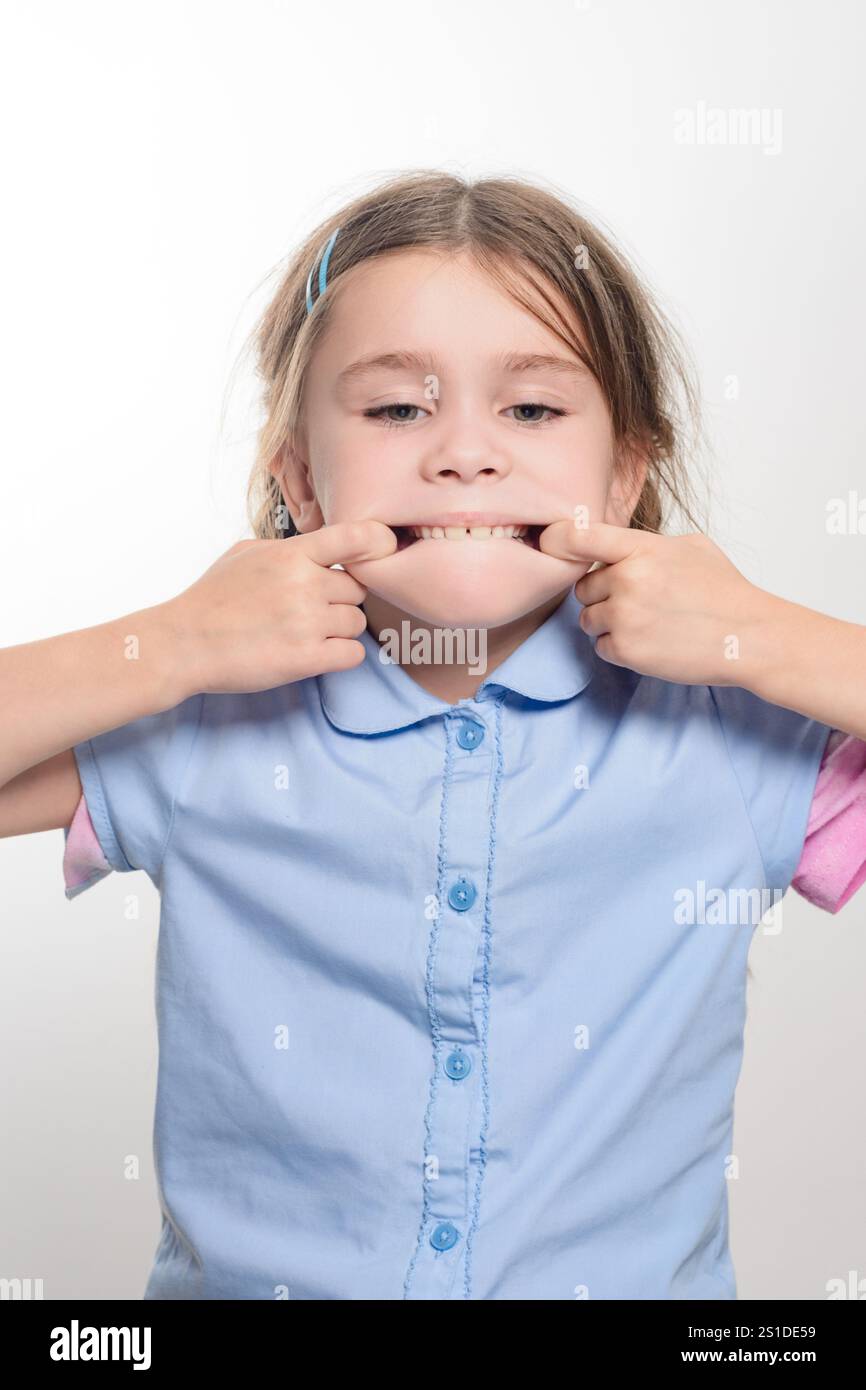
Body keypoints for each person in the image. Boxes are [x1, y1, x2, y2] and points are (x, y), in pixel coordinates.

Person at [3, 171, 865, 1300]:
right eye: (397, 408)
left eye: (532, 408)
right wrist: (166, 644)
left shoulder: (737, 729)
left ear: (623, 470)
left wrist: (764, 634)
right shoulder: (202, 719)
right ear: (301, 480)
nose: (464, 453)